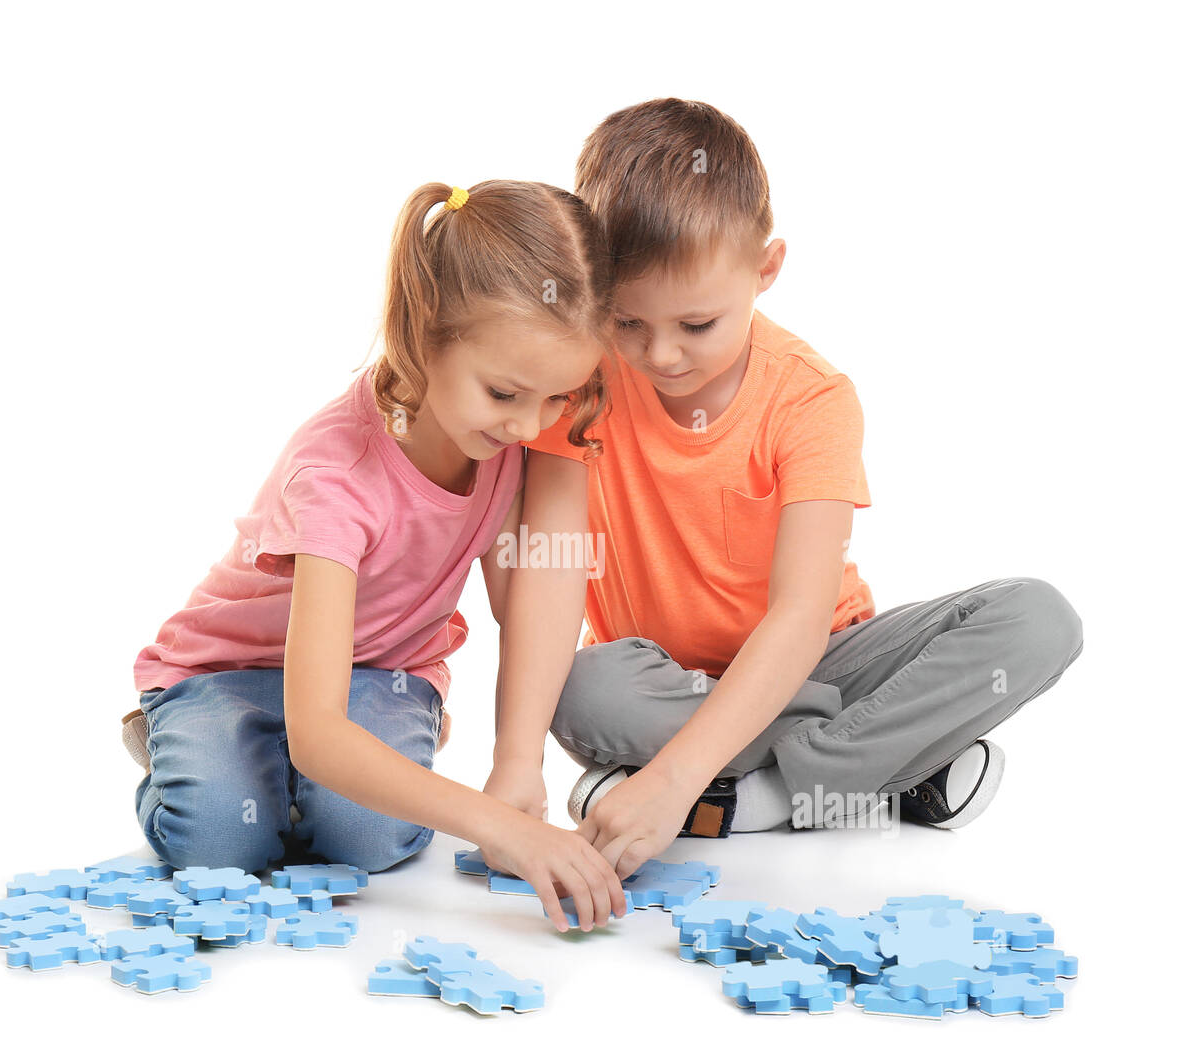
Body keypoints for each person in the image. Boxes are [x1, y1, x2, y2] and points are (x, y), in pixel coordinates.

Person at [520, 99, 1084, 877]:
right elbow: (547, 568)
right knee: (577, 687)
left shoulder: (812, 397)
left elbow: (800, 611)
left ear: (767, 269)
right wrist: (514, 766)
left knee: (1038, 620)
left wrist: (673, 779)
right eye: (627, 324)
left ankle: (758, 798)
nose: (662, 354)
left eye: (697, 325)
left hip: (822, 657)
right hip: (659, 681)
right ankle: (882, 766)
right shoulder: (576, 383)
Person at [124, 180, 628, 931]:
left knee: (370, 838)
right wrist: (500, 827)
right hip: (229, 677)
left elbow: (516, 607)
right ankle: (182, 742)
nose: (529, 427)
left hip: (377, 679)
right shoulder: (335, 476)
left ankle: (307, 777)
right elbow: (323, 728)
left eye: (557, 399)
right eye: (504, 394)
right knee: (218, 842)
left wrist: (517, 767)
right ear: (425, 334)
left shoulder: (499, 444)